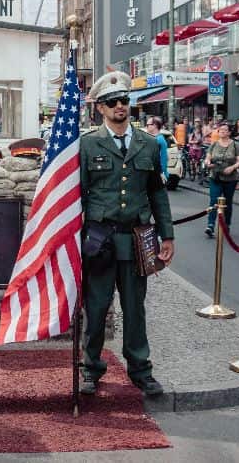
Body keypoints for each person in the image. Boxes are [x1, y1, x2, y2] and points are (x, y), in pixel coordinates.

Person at [78, 71, 174, 398]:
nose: (120, 106)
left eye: (124, 100)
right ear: (100, 109)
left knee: (135, 308)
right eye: (112, 102)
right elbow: (77, 193)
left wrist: (168, 236)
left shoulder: (147, 143)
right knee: (97, 307)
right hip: (100, 240)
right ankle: (90, 368)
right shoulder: (88, 144)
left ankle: (141, 370)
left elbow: (157, 194)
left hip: (137, 240)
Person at [204, 122, 239, 237]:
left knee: (227, 202)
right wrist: (207, 163)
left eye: (225, 130)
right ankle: (210, 225)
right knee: (213, 201)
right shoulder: (214, 144)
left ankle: (227, 224)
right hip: (215, 176)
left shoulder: (235, 145)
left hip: (230, 178)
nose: (222, 132)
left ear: (229, 132)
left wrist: (232, 167)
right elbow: (208, 158)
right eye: (220, 130)